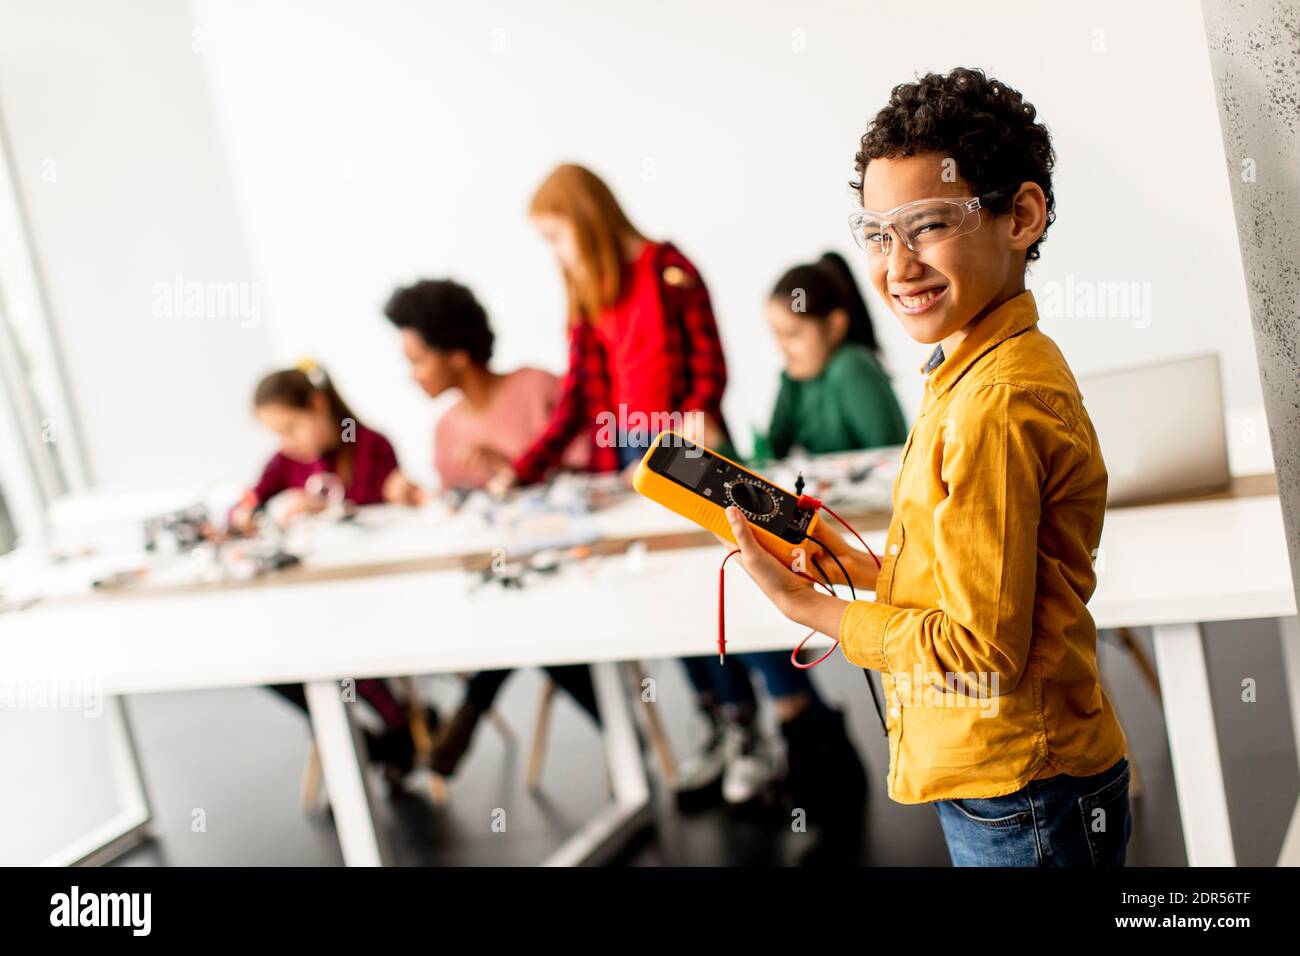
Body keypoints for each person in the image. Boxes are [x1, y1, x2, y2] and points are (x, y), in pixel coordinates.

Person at [720, 67, 1130, 867]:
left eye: (929, 225)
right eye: (876, 233)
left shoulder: (993, 406)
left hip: (1022, 791)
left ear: (1020, 215)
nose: (896, 264)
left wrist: (815, 610)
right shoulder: (973, 372)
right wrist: (856, 568)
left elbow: (980, 650)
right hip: (1010, 780)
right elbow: (968, 579)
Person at [677, 253, 907, 863]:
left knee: (754, 580)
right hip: (827, 528)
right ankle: (799, 735)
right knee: (737, 570)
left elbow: (892, 457)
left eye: (793, 334)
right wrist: (723, 449)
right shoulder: (792, 380)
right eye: (776, 337)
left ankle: (798, 734)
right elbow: (771, 453)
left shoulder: (853, 368)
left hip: (868, 532)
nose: (784, 350)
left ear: (833, 325)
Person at [383, 279, 601, 775]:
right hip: (511, 580)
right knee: (520, 614)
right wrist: (416, 497)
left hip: (576, 570)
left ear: (457, 354)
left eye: (418, 360)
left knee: (526, 617)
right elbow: (461, 513)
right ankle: (621, 733)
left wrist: (514, 465)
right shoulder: (445, 430)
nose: (411, 375)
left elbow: (595, 475)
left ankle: (471, 711)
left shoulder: (537, 388)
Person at [469, 162, 733, 489]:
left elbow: (709, 362)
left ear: (586, 217)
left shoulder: (670, 269)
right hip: (620, 447)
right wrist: (522, 470)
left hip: (686, 440)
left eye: (555, 237)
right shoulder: (588, 295)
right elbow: (576, 398)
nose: (556, 253)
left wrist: (698, 414)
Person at [234, 362, 432, 785]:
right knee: (268, 658)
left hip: (372, 594)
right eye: (277, 434)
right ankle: (373, 738)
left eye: (291, 427)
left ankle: (390, 729)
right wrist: (249, 512)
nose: (286, 442)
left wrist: (397, 499)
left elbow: (392, 513)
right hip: (313, 599)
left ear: (319, 404)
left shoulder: (371, 446)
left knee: (335, 643)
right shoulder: (284, 462)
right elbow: (247, 503)